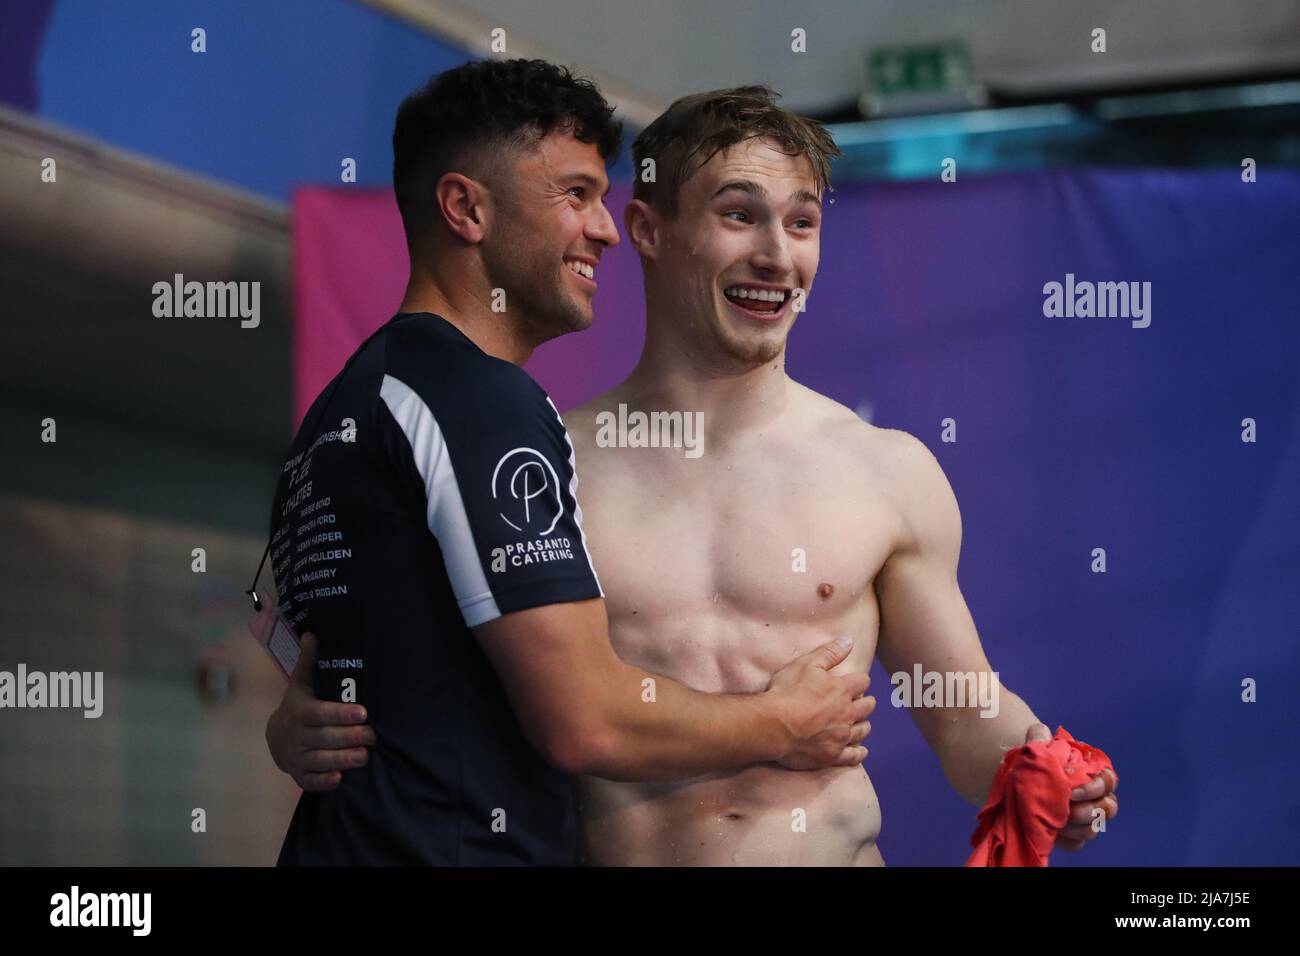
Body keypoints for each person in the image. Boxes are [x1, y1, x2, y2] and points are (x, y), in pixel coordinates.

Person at [269, 78, 1118, 866]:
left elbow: (960, 711)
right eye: (739, 215)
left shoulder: (888, 472)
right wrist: (301, 721)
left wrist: (1039, 762)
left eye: (803, 222)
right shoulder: (541, 464)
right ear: (647, 230)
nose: (777, 256)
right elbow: (422, 674)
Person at [259, 60, 873, 866]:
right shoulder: (482, 403)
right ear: (465, 208)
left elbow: (278, 631)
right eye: (575, 195)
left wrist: (291, 722)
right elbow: (586, 720)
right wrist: (782, 722)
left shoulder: (341, 408)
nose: (605, 229)